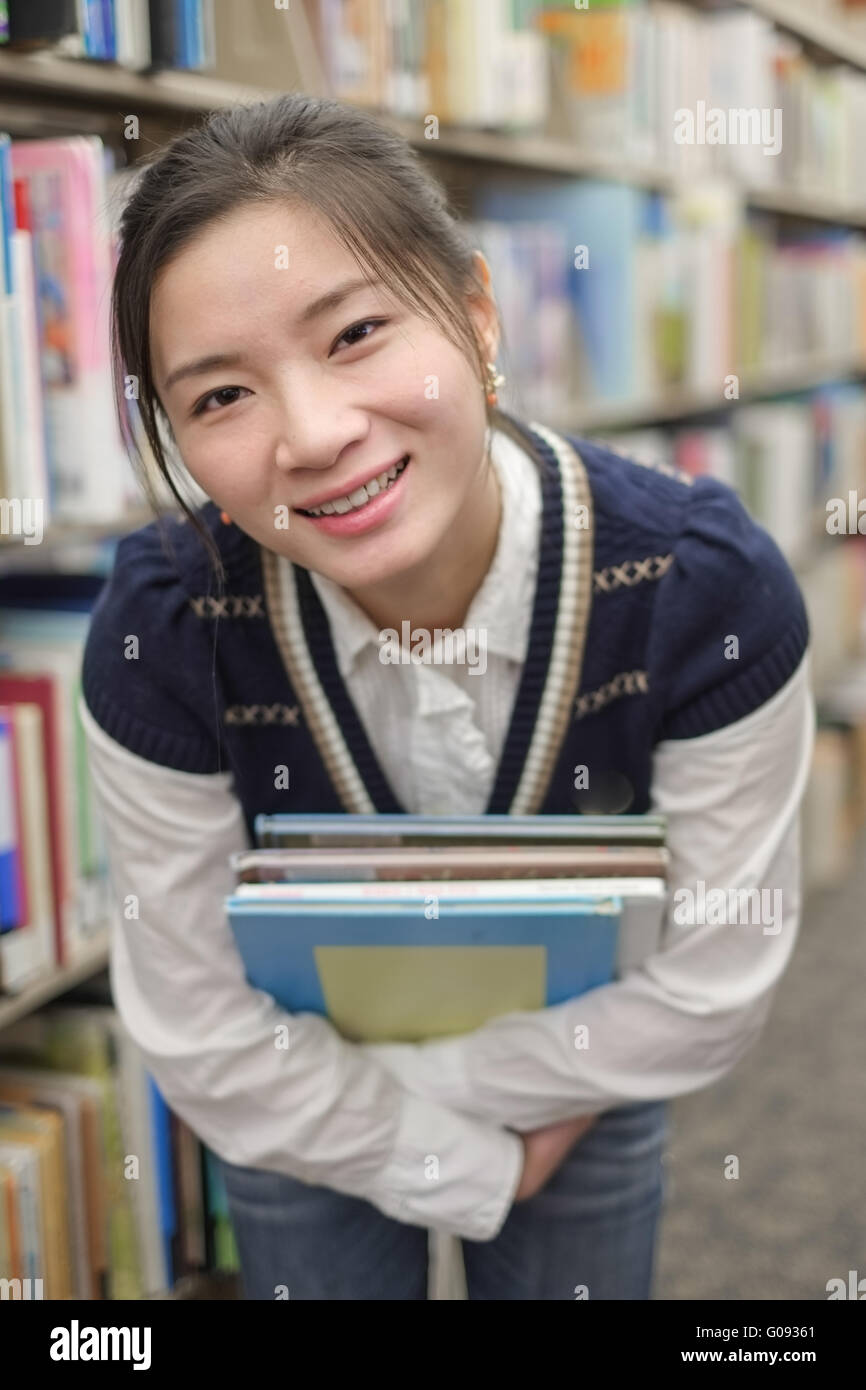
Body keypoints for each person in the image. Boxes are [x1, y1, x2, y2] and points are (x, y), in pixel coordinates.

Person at [80, 93, 814, 1301]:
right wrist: (454, 1161)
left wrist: (456, 1110)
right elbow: (199, 1021)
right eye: (220, 396)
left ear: (475, 312)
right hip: (283, 1108)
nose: (311, 434)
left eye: (356, 331)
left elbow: (711, 982)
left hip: (585, 1076)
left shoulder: (698, 588)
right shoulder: (162, 626)